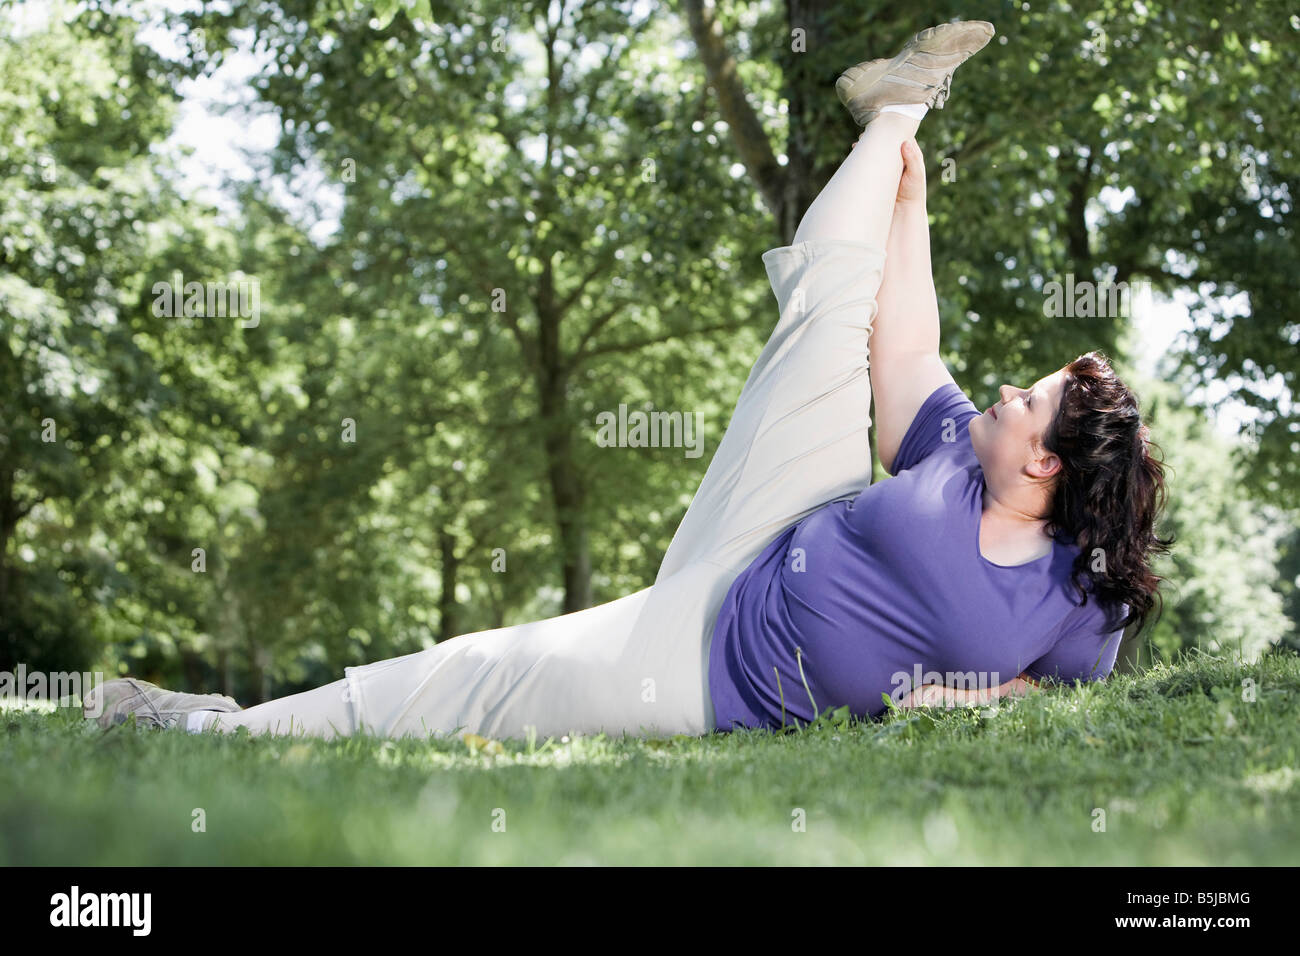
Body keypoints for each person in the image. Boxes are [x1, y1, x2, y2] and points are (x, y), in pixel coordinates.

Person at [84, 20, 1171, 741]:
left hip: (707, 664)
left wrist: (977, 696)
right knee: (828, 318)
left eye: (1025, 400)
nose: (1003, 393)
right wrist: (908, 199)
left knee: (482, 670)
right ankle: (896, 107)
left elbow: (1059, 696)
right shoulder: (954, 449)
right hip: (781, 522)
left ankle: (203, 726)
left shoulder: (1082, 599)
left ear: (1046, 461)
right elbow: (906, 348)